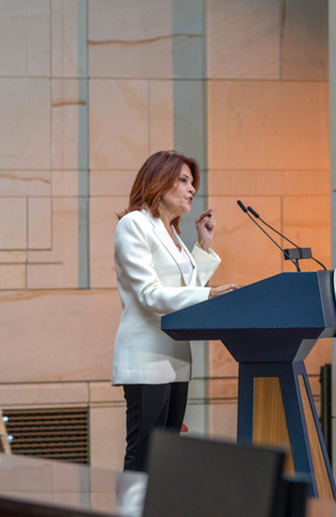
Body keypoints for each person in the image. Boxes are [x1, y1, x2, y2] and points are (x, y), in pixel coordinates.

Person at [111, 150, 238, 472]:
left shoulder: (173, 233)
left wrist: (203, 246)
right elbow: (150, 296)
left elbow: (184, 292)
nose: (191, 189)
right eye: (183, 180)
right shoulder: (134, 224)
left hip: (177, 356)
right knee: (144, 454)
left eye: (192, 182)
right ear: (158, 181)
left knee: (165, 459)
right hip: (146, 355)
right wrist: (209, 293)